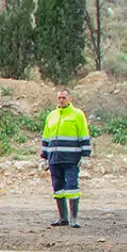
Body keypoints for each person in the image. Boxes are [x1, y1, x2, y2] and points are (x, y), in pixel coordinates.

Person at [40, 89, 92, 228]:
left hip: (70, 158)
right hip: (54, 159)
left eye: (64, 97)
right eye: (59, 98)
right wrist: (43, 157)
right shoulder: (51, 116)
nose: (61, 100)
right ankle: (63, 218)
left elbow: (83, 135)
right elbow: (46, 138)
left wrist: (85, 156)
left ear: (69, 98)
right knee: (58, 188)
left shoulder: (77, 115)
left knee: (72, 187)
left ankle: (74, 218)